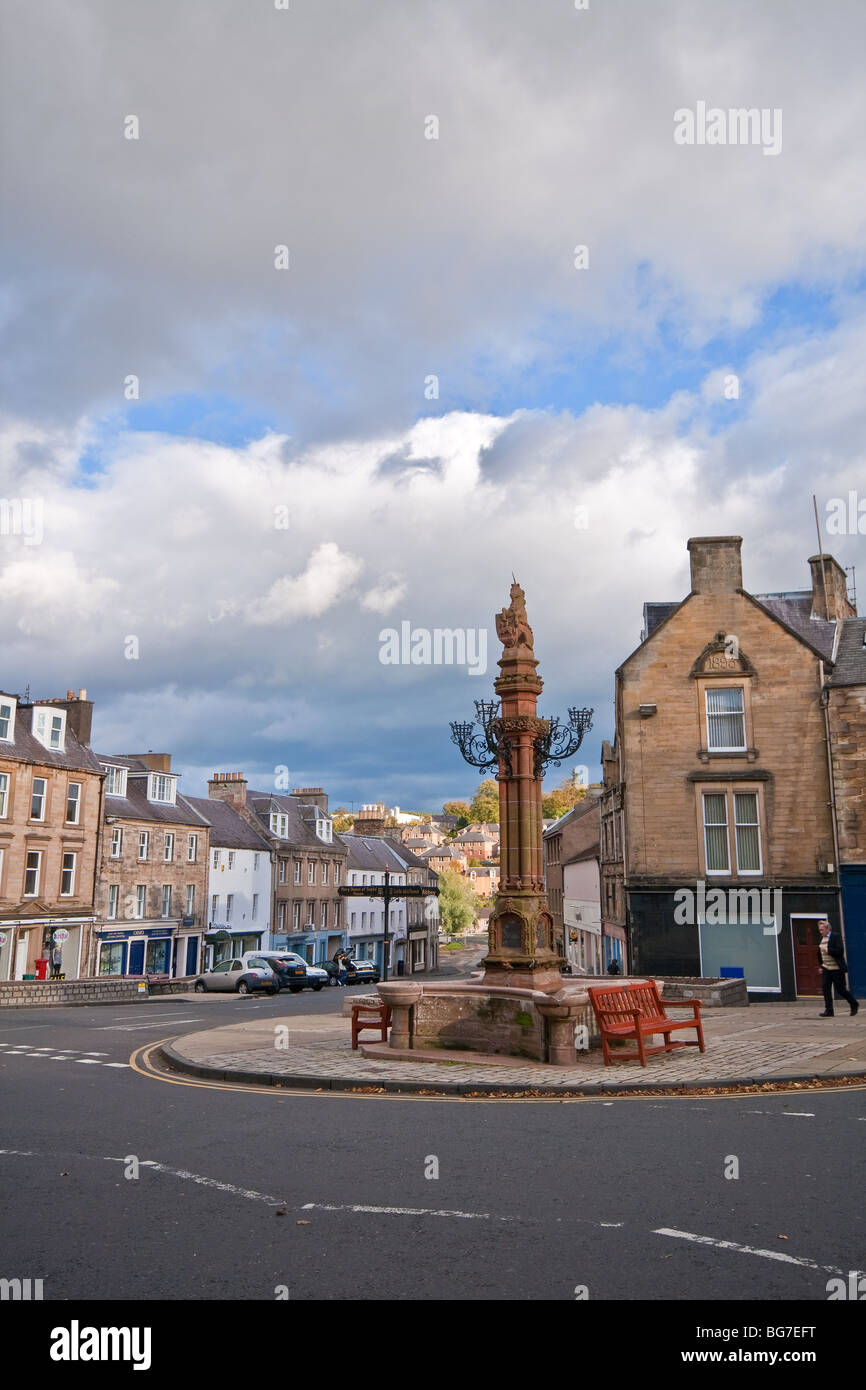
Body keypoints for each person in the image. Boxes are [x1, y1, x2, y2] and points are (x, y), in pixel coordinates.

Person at [817, 920, 858, 1017]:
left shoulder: (836, 936)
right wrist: (821, 965)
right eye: (819, 930)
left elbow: (839, 951)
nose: (821, 932)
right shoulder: (822, 938)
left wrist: (827, 950)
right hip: (826, 968)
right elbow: (819, 953)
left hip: (836, 968)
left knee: (840, 990)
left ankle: (854, 1003)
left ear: (828, 929)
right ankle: (829, 1010)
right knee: (825, 988)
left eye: (822, 930)